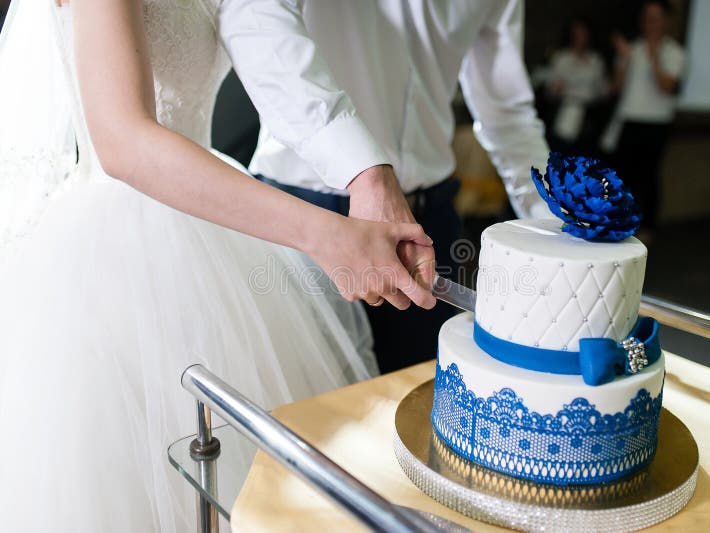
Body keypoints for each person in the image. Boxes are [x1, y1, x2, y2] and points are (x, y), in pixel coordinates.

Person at [0, 0, 435, 530]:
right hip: (111, 261)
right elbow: (122, 141)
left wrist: (370, 179)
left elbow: (282, 60)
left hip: (213, 237)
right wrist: (328, 236)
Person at [220, 0, 553, 373]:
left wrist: (553, 220)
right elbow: (259, 22)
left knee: (414, 396)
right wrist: (366, 173)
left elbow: (506, 112)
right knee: (309, 409)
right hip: (304, 216)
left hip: (431, 225)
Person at [602, 0, 687, 233]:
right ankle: (619, 223)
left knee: (647, 177)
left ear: (666, 21)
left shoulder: (675, 52)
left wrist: (653, 56)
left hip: (656, 122)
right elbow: (616, 87)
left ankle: (647, 227)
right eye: (647, 18)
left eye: (656, 18)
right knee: (621, 175)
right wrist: (624, 60)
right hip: (629, 120)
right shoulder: (632, 48)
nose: (651, 24)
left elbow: (667, 86)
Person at [546, 17, 607, 154]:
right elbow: (550, 91)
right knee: (560, 153)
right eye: (576, 33)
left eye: (583, 33)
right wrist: (556, 89)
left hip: (588, 116)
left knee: (584, 157)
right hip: (565, 111)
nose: (580, 37)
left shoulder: (596, 60)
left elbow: (602, 90)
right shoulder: (562, 58)